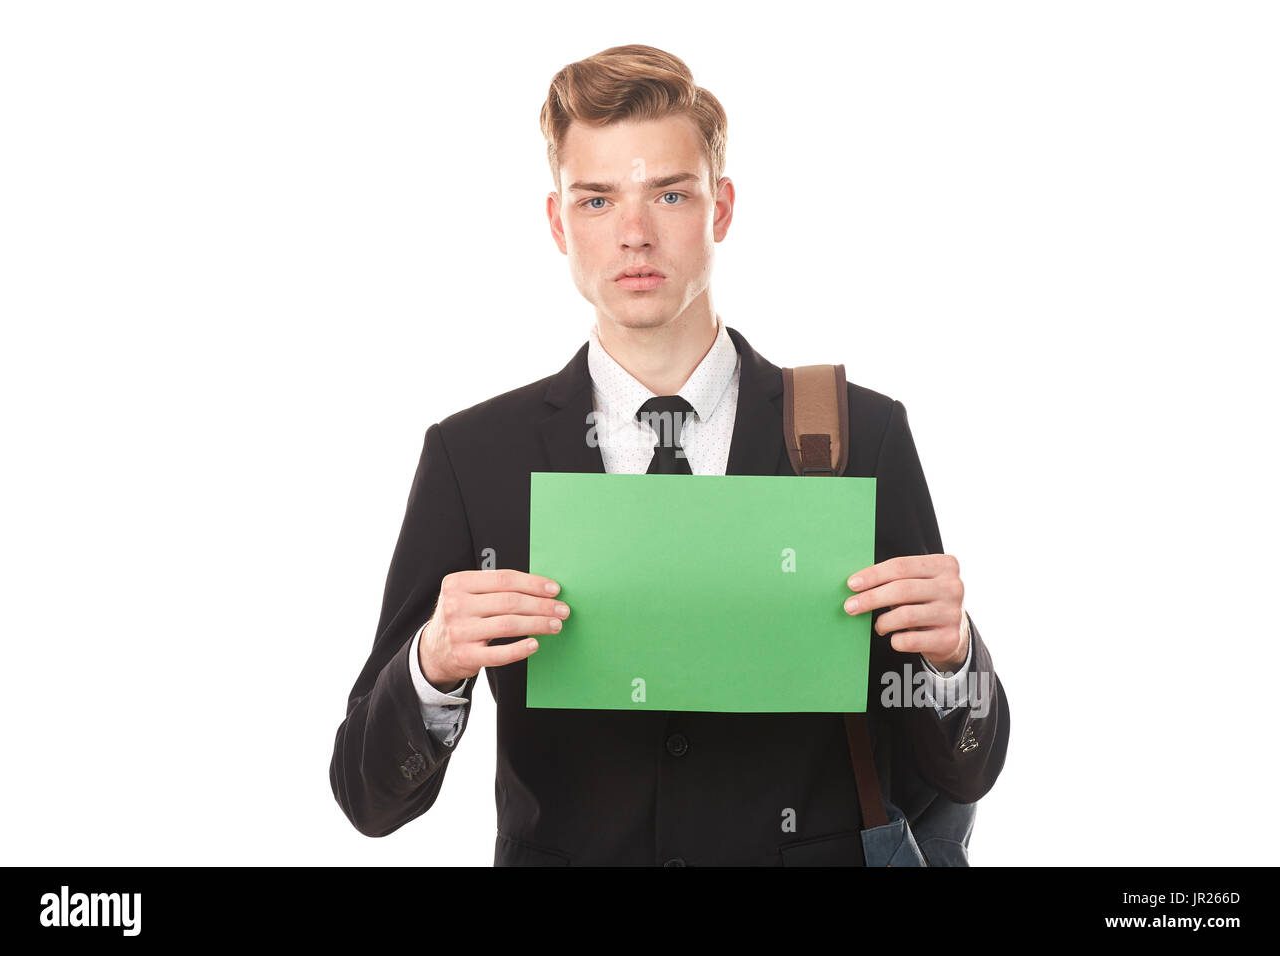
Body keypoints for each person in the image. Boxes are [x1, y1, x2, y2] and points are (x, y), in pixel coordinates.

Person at [329, 43, 1009, 865]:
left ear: (720, 208)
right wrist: (431, 667)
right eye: (596, 200)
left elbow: (967, 769)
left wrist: (952, 656)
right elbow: (369, 799)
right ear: (557, 223)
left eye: (670, 193)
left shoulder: (861, 437)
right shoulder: (474, 458)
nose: (634, 234)